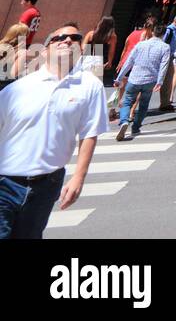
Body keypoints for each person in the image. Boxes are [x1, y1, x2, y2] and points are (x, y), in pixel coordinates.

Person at [0, 22, 109, 238]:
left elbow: (89, 133)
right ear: (45, 49)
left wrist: (79, 177)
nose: (68, 40)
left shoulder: (90, 85)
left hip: (47, 183)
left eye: (75, 38)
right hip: (5, 181)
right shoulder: (18, 88)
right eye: (60, 38)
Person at [114, 20, 172, 141]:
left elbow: (129, 62)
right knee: (144, 104)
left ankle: (124, 121)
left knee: (127, 101)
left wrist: (119, 78)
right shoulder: (165, 47)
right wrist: (160, 81)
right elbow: (164, 65)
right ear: (164, 34)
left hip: (134, 78)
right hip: (150, 80)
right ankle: (136, 126)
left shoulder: (141, 45)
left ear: (153, 32)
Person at [81, 16, 117, 87]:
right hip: (99, 60)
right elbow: (111, 51)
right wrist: (109, 62)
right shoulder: (112, 36)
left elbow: (83, 47)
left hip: (87, 58)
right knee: (93, 82)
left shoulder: (91, 34)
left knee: (83, 79)